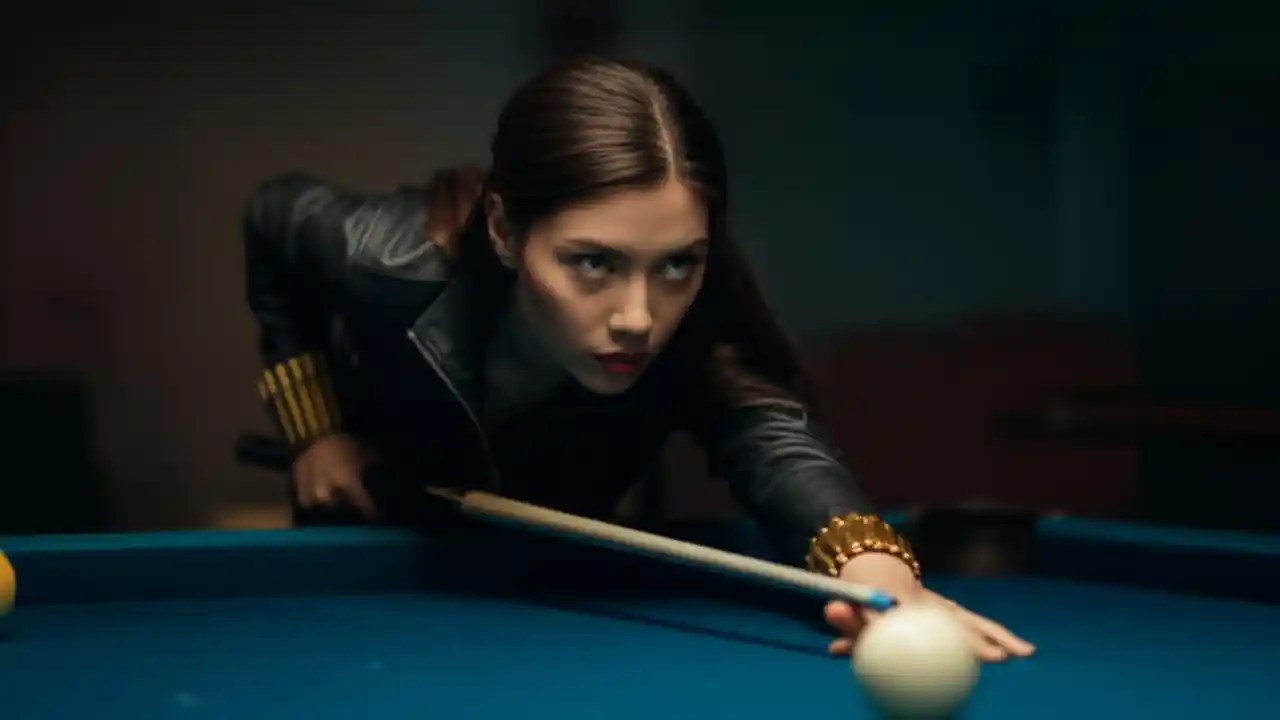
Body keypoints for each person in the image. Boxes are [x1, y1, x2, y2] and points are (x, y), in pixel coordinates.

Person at [242, 57, 1034, 662]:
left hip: (559, 600)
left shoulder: (690, 331)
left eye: (677, 265)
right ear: (506, 231)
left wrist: (883, 577)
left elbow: (772, 441)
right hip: (369, 559)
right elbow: (272, 215)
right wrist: (316, 429)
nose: (637, 318)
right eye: (592, 263)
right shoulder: (384, 262)